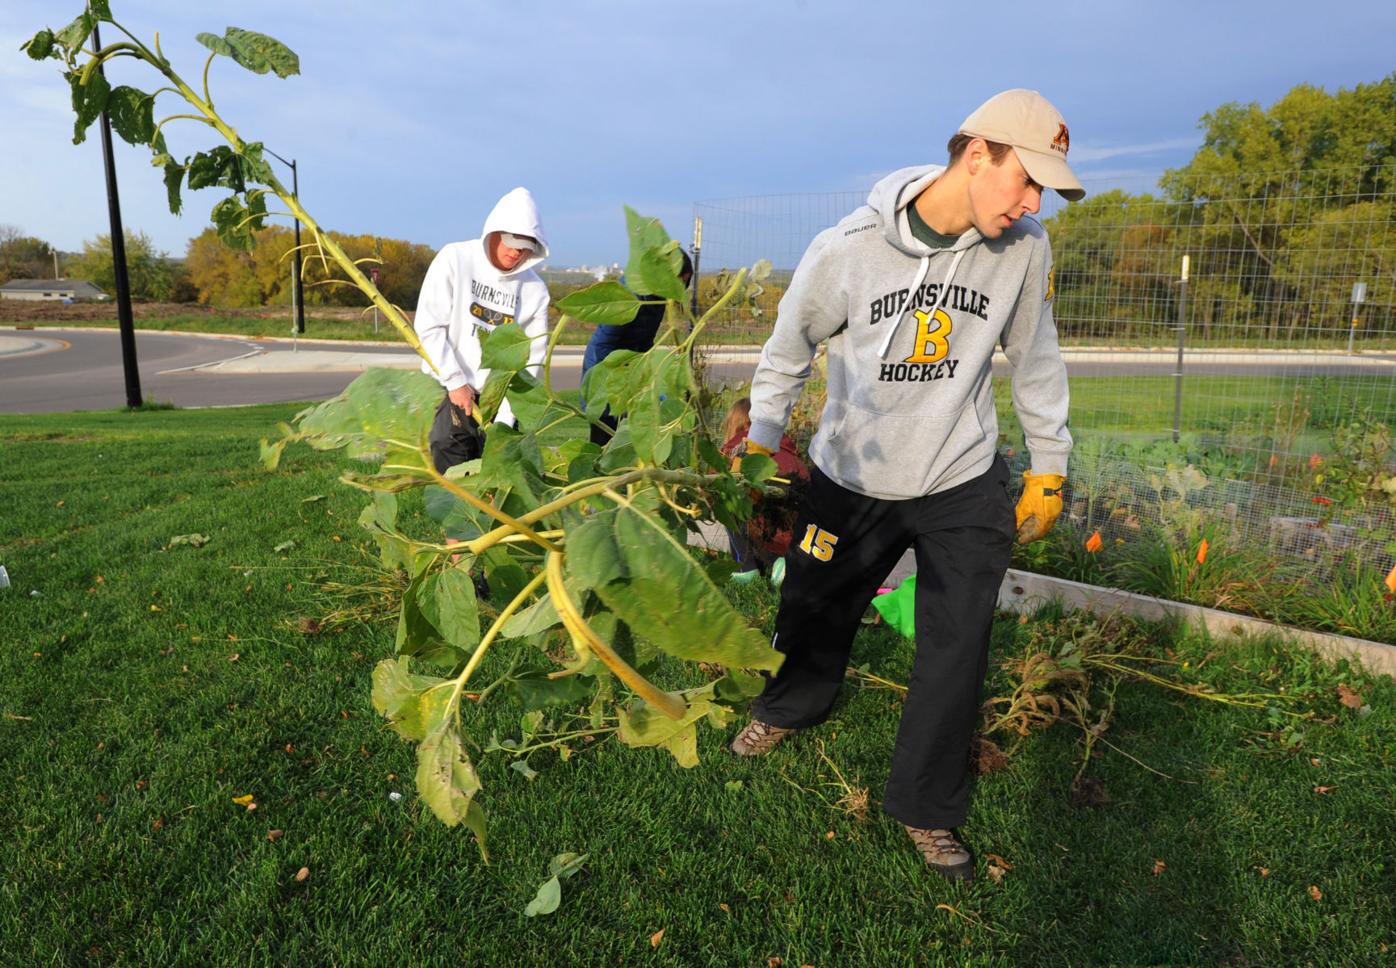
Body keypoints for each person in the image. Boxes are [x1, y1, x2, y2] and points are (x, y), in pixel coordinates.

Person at [728, 89, 1083, 882]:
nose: (1033, 203)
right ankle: (788, 707)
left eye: (1044, 190)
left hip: (961, 474)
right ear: (977, 154)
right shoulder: (849, 248)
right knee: (813, 605)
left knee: (958, 644)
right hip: (853, 475)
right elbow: (787, 350)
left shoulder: (1023, 249)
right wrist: (760, 447)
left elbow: (1035, 356)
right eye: (1027, 180)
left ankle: (927, 804)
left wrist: (1049, 465)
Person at [413, 187, 550, 473]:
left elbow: (532, 359)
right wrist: (455, 381)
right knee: (452, 458)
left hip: (500, 397)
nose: (517, 252)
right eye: (512, 242)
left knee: (498, 475)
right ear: (495, 231)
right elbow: (429, 325)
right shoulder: (455, 258)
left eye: (526, 246)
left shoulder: (535, 291)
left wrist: (505, 418)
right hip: (450, 386)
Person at [580, 249, 693, 446]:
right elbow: (604, 345)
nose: (681, 287)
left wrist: (647, 377)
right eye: (680, 279)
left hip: (630, 371)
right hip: (604, 370)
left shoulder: (658, 299)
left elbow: (645, 341)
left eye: (685, 281)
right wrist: (622, 381)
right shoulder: (630, 295)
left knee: (631, 442)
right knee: (604, 440)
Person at [718, 396, 810, 573]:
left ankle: (745, 569)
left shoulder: (739, 448)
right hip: (803, 543)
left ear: (734, 425)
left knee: (727, 496)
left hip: (766, 541)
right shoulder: (790, 452)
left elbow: (714, 483)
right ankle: (782, 563)